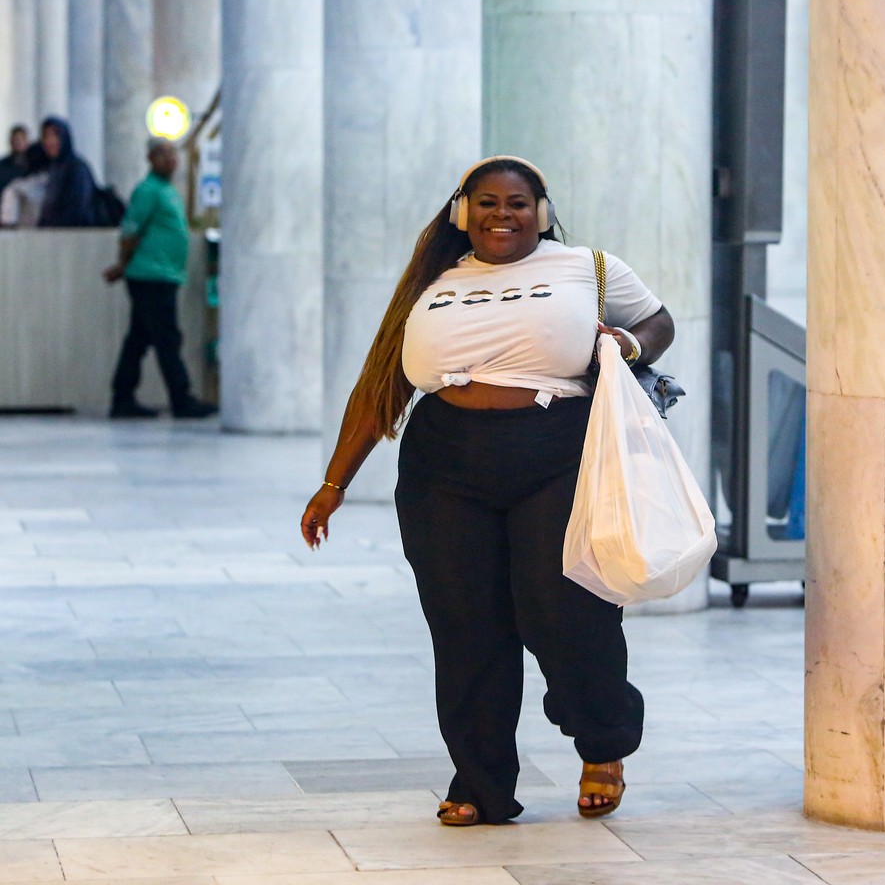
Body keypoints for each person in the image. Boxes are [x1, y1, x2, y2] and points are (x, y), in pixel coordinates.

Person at [300, 156, 675, 825]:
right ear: (461, 213)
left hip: (556, 448)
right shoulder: (433, 282)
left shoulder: (586, 267)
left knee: (564, 612)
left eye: (518, 203)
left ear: (544, 211)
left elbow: (658, 322)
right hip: (443, 462)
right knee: (465, 625)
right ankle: (480, 782)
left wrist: (628, 343)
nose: (503, 214)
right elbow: (379, 388)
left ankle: (603, 737)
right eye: (488, 203)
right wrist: (334, 484)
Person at [102, 137, 217, 420]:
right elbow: (130, 231)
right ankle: (181, 399)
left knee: (138, 340)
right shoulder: (148, 190)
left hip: (163, 275)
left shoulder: (167, 190)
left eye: (172, 153)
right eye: (162, 154)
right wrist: (122, 264)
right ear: (150, 158)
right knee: (167, 338)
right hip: (150, 276)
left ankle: (123, 398)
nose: (170, 159)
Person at [36, 117, 100, 227]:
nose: (49, 142)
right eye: (45, 136)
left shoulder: (77, 168)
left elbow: (78, 208)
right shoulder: (54, 168)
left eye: (54, 136)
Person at [0, 125, 30, 198]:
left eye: (21, 139)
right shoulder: (3, 165)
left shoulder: (34, 162)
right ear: (11, 141)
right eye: (16, 139)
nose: (18, 142)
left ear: (27, 141)